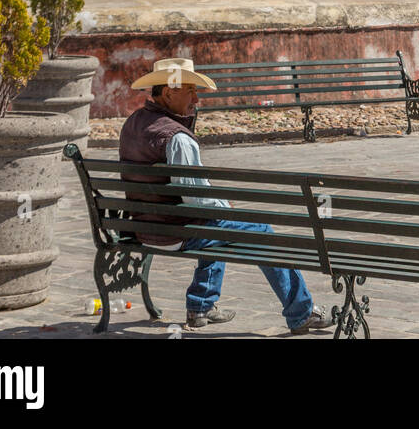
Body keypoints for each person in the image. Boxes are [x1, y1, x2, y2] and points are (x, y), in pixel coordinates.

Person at [119, 57, 329, 334]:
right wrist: (224, 208)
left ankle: (201, 306)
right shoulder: (177, 138)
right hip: (175, 233)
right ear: (169, 93)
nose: (196, 98)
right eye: (190, 90)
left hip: (144, 228)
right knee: (259, 231)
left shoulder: (133, 123)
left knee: (221, 223)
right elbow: (198, 200)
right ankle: (301, 312)